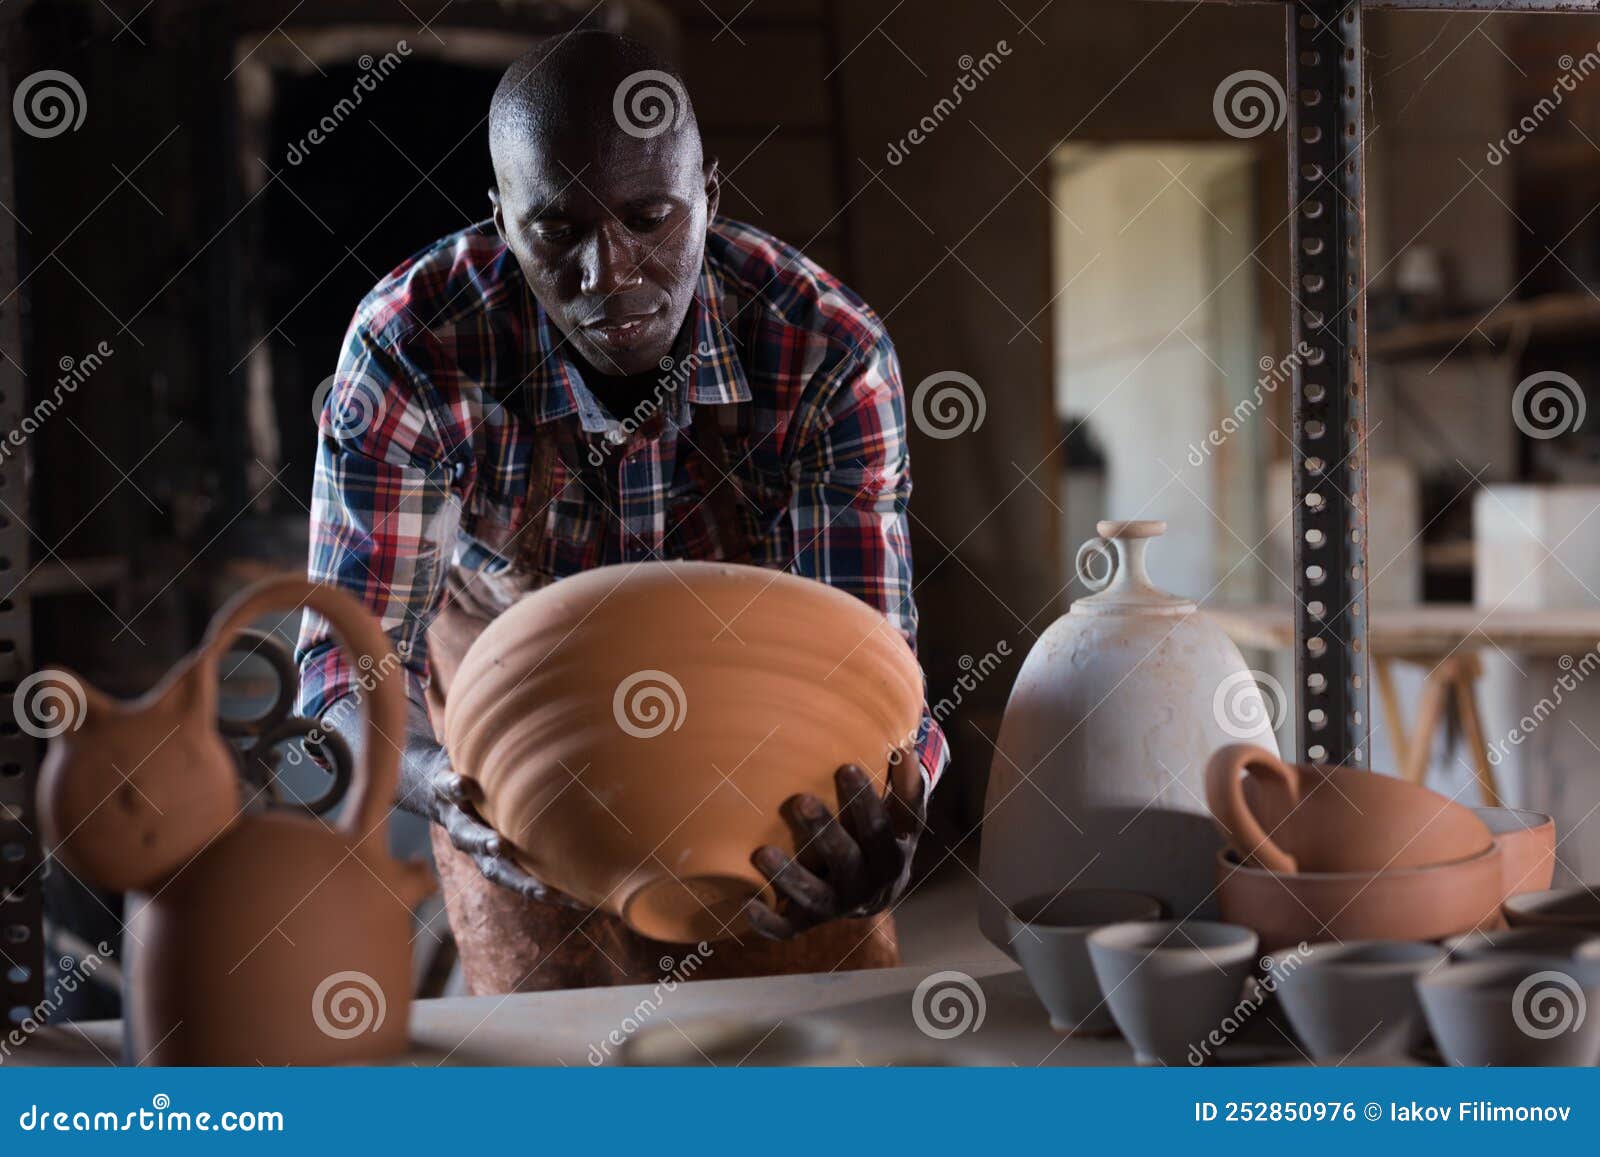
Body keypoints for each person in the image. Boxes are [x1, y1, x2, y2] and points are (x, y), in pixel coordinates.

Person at [295, 29, 946, 993]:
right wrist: (438, 781)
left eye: (649, 218)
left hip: (759, 757)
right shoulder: (412, 349)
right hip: (520, 764)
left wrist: (896, 800)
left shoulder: (825, 352)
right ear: (502, 221)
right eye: (557, 233)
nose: (611, 275)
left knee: (813, 1051)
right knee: (557, 1063)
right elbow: (346, 667)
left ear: (709, 197)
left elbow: (870, 661)